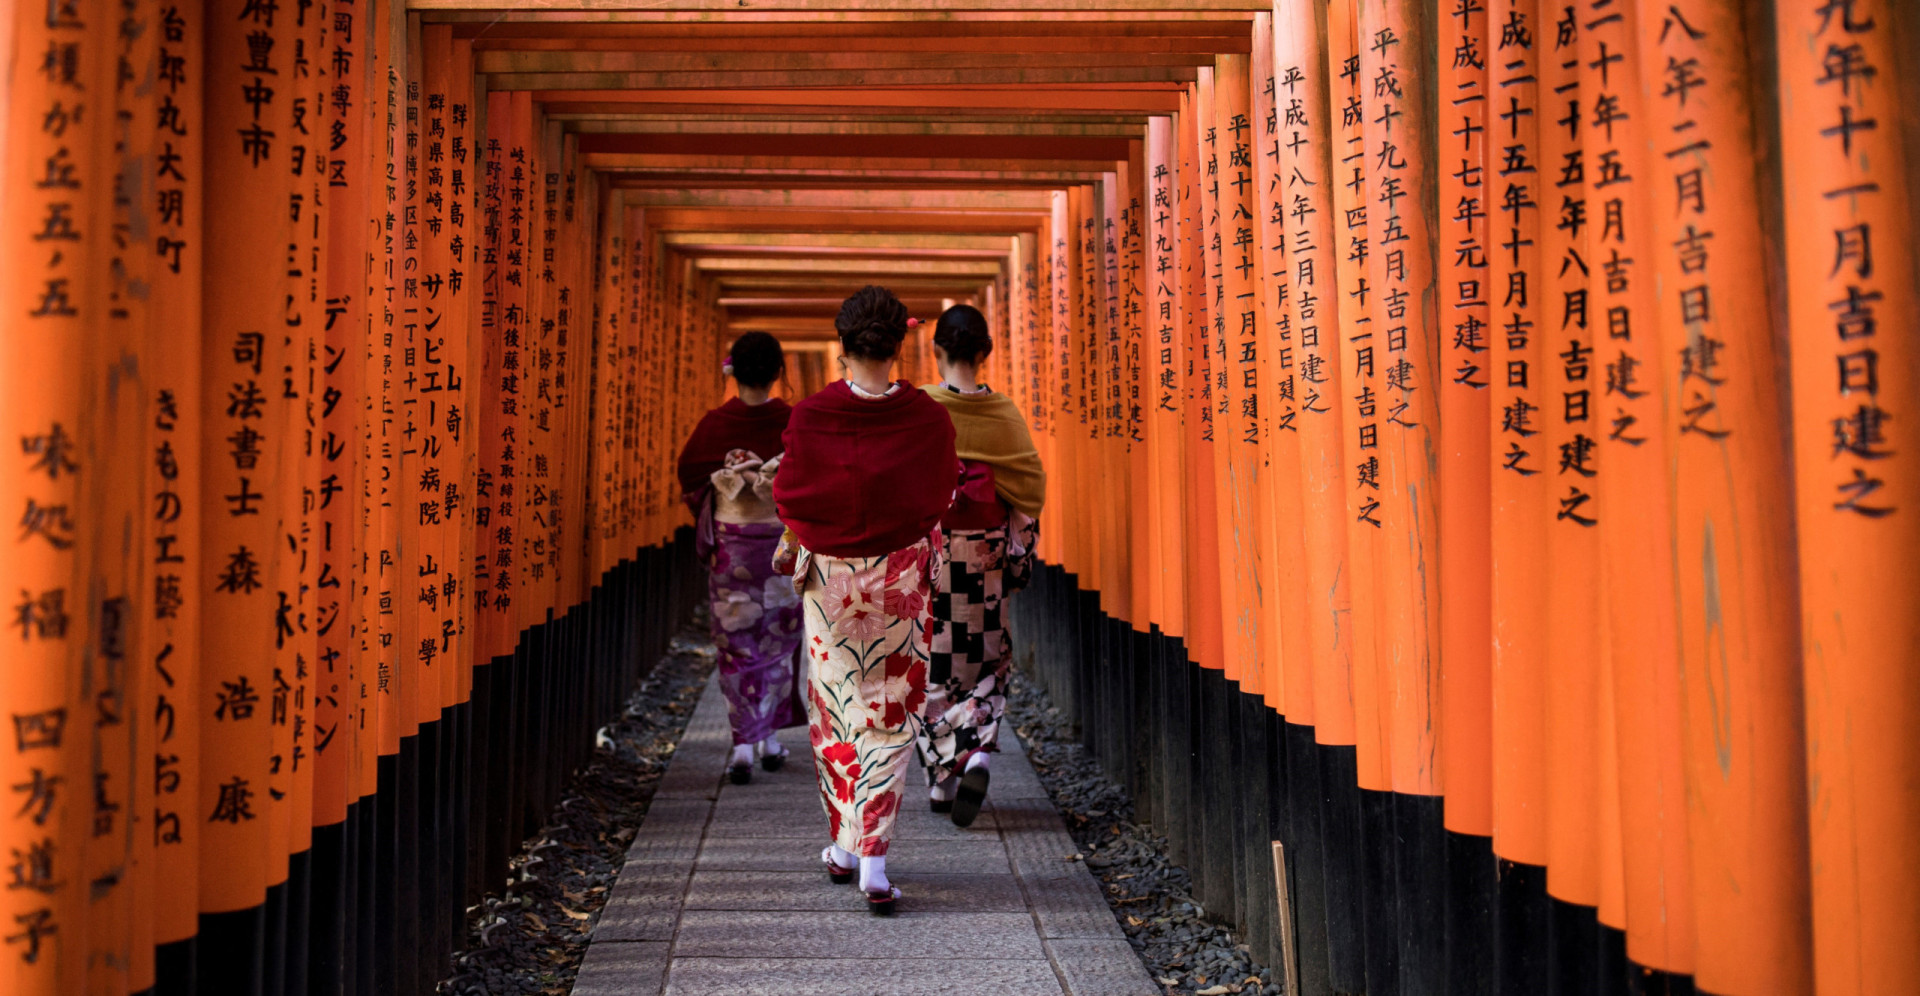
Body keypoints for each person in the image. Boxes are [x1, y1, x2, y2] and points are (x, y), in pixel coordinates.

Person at [772, 285, 958, 916]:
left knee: (833, 707)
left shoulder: (811, 416)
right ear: (899, 344)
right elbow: (940, 495)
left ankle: (847, 846)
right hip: (901, 578)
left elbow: (790, 494)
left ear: (841, 344)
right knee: (891, 711)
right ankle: (870, 860)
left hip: (831, 582)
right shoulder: (928, 418)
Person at [915, 304, 1045, 828]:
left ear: (937, 350)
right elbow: (1029, 487)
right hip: (987, 550)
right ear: (985, 351)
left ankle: (944, 780)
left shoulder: (922, 410)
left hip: (934, 550)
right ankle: (980, 750)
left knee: (933, 657)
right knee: (988, 652)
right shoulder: (1004, 414)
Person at [676, 332, 804, 785]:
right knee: (778, 638)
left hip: (732, 550)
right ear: (777, 374)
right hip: (778, 546)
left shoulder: (715, 424)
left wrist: (725, 485)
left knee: (735, 642)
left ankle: (744, 745)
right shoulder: (792, 421)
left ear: (734, 372)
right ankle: (769, 739)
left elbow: (689, 475)